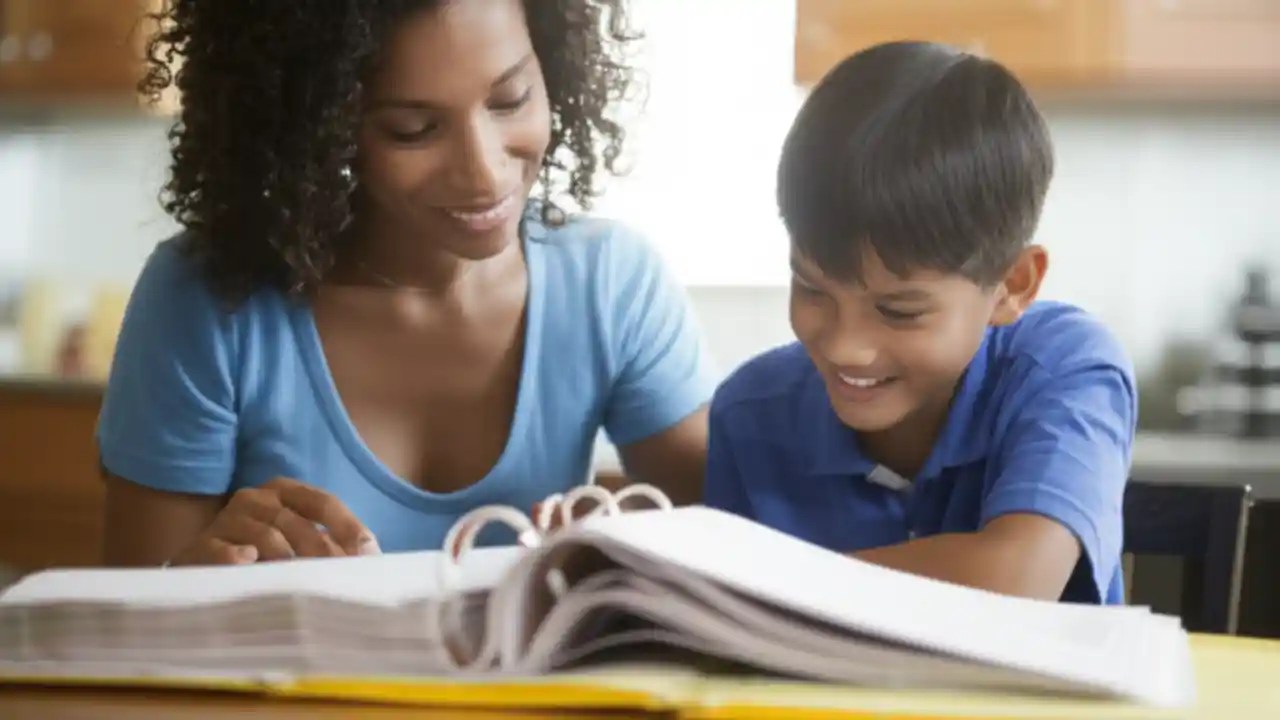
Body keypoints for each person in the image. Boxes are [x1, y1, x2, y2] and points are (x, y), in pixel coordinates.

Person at [99, 0, 715, 568]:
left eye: (511, 100)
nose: (483, 172)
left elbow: (728, 547)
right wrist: (197, 572)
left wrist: (624, 548)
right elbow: (126, 625)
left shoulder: (609, 286)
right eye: (413, 130)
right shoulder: (207, 299)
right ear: (318, 126)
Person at [704, 41, 1136, 605]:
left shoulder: (1066, 366)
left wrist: (761, 585)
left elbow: (1016, 577)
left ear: (1012, 286)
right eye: (811, 289)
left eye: (898, 311)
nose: (846, 347)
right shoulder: (748, 411)